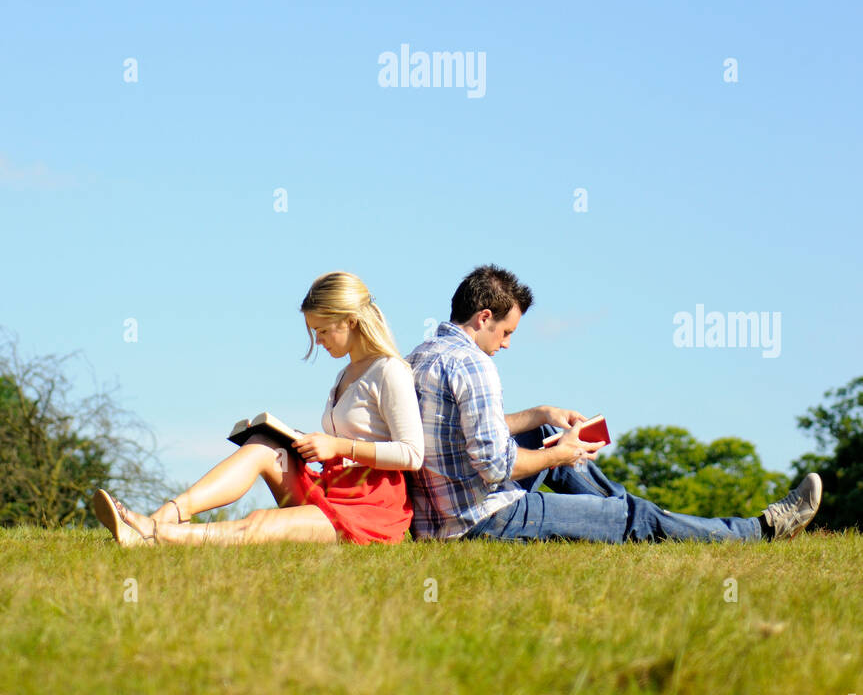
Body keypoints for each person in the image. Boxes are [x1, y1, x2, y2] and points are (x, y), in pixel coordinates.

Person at [406, 264, 822, 545]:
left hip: (438, 517)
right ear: (483, 317)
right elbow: (498, 467)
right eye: (506, 333)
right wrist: (561, 456)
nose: (507, 344)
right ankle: (758, 531)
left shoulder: (419, 357)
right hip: (483, 520)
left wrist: (540, 414)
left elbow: (459, 434)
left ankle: (617, 508)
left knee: (545, 432)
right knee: (629, 516)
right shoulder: (476, 366)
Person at [93, 271, 424, 548]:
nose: (319, 340)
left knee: (262, 522)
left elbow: (412, 454)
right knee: (264, 446)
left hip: (370, 506)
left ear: (350, 321)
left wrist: (338, 446)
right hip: (333, 485)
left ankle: (153, 536)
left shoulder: (389, 371)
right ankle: (162, 517)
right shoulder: (344, 374)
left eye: (322, 330)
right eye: (315, 331)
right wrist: (304, 443)